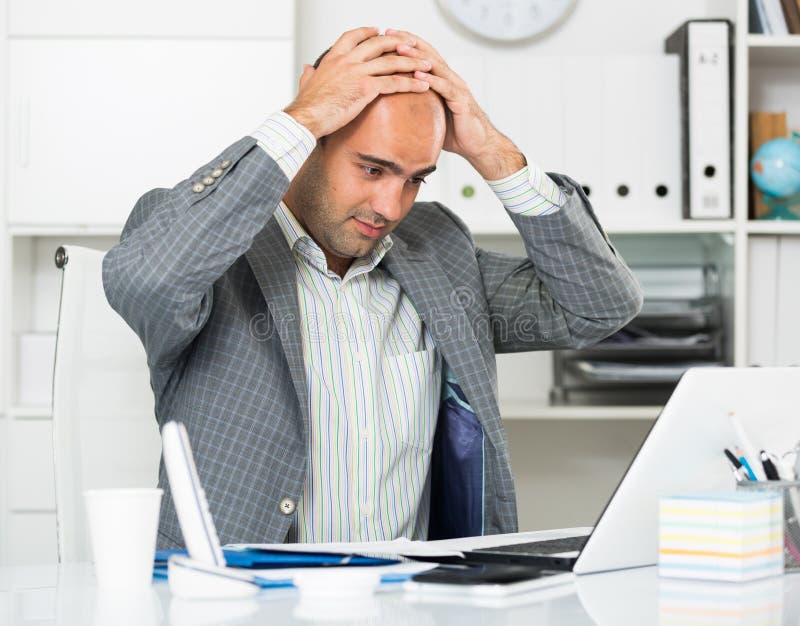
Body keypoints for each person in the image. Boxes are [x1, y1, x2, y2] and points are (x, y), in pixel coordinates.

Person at [103, 27, 642, 549]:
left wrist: (492, 151)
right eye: (371, 168)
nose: (390, 207)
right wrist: (303, 115)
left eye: (414, 179)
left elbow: (599, 306)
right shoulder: (209, 250)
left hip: (411, 599)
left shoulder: (437, 250)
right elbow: (152, 278)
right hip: (241, 597)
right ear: (314, 139)